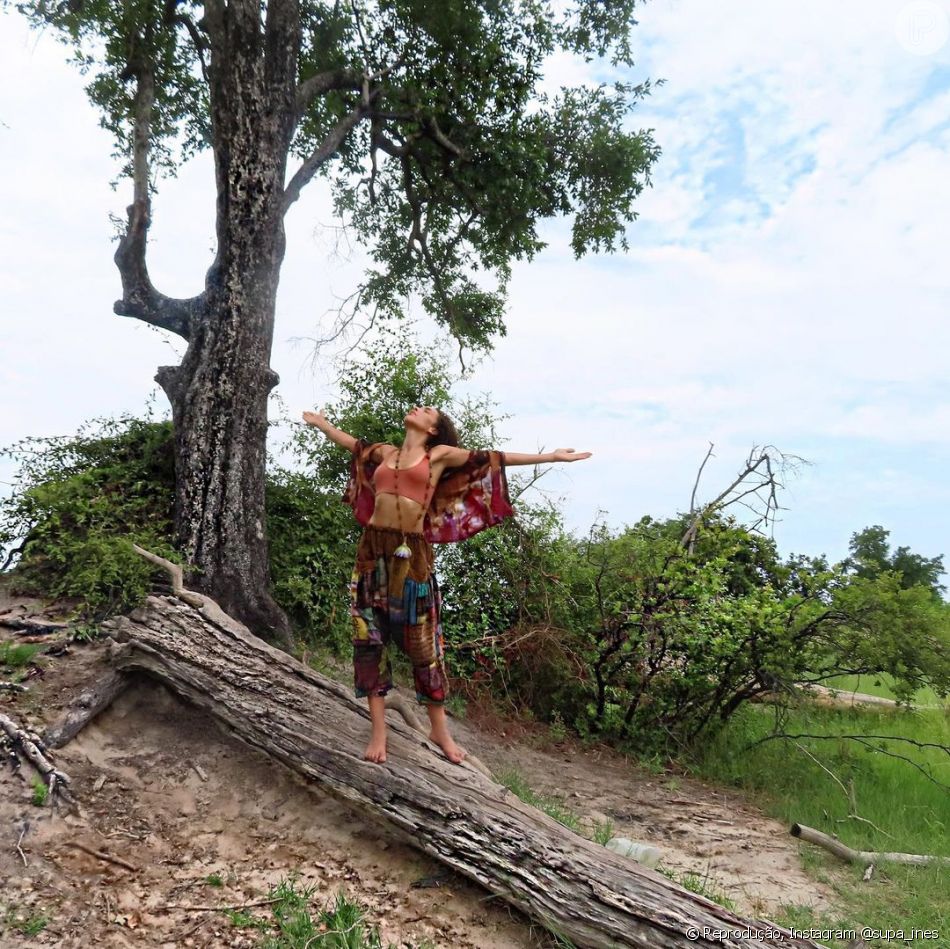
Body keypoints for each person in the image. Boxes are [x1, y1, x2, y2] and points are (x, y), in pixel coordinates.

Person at [302, 406, 592, 765]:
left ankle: (439, 730)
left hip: (411, 556)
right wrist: (322, 424)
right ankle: (378, 731)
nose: (418, 409)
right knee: (369, 639)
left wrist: (551, 457)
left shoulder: (438, 455)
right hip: (371, 552)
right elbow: (352, 444)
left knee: (423, 645)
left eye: (427, 411)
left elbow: (494, 458)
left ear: (433, 429)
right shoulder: (385, 452)